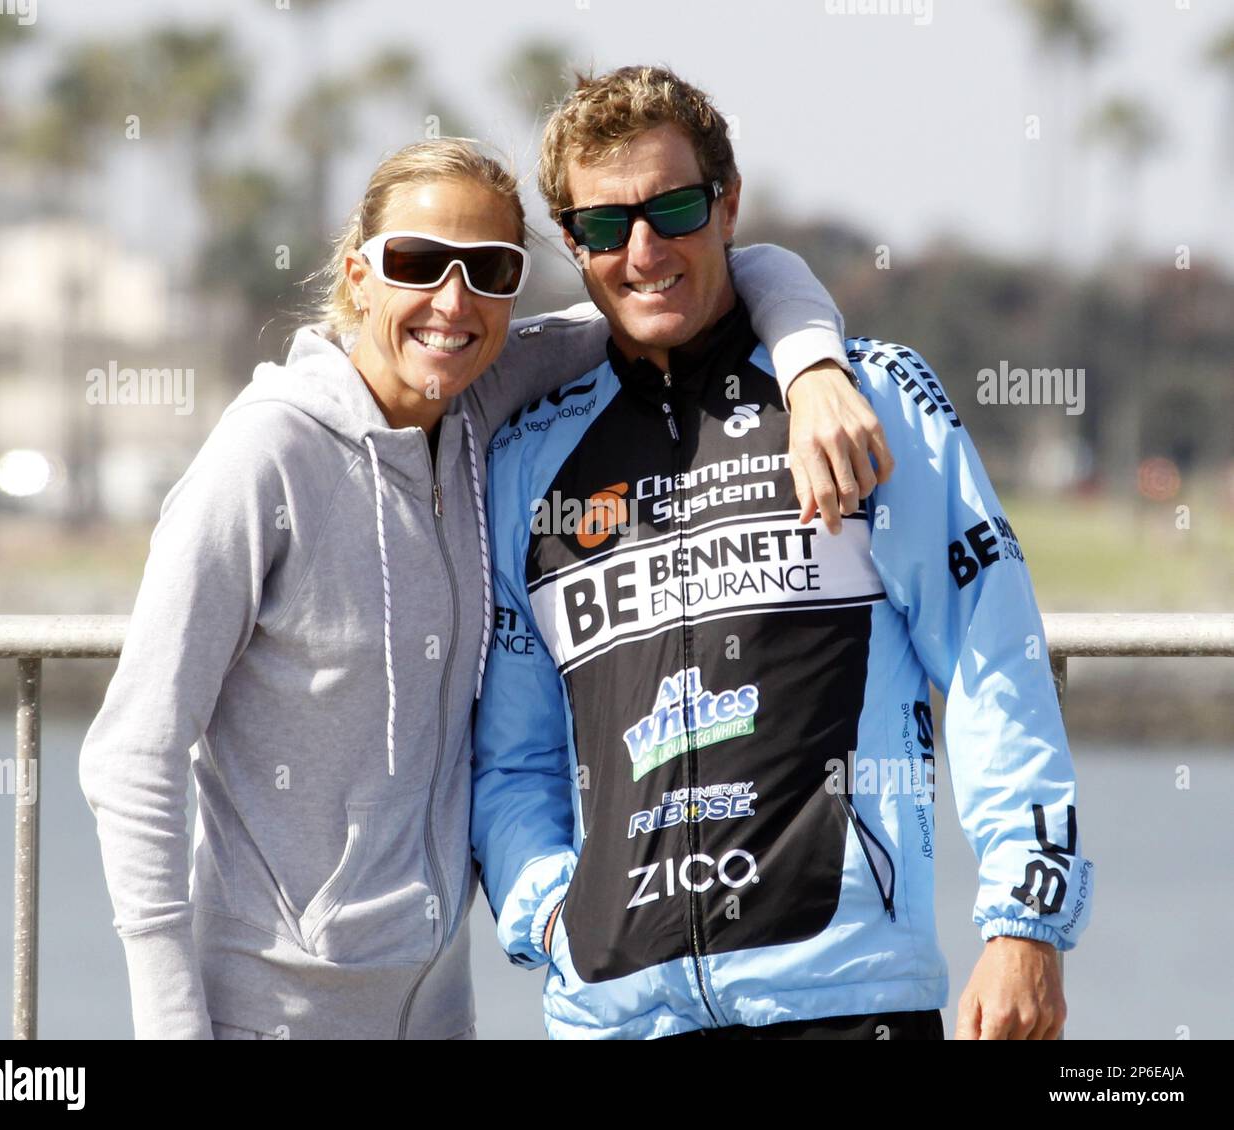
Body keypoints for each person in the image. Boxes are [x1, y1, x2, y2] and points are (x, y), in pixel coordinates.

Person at [77, 136, 885, 1039]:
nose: (452, 302)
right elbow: (132, 756)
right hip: (265, 1012)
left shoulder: (479, 399)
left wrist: (813, 366)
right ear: (357, 277)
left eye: (490, 269)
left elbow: (717, 281)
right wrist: (169, 1023)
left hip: (436, 1008)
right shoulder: (265, 456)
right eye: (418, 264)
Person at [471, 66, 1095, 1041]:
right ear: (570, 242)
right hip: (615, 1017)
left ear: (727, 205)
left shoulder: (865, 398)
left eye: (671, 208)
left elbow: (990, 660)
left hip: (842, 1000)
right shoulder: (525, 459)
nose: (642, 251)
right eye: (603, 225)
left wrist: (1025, 916)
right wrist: (554, 921)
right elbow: (514, 762)